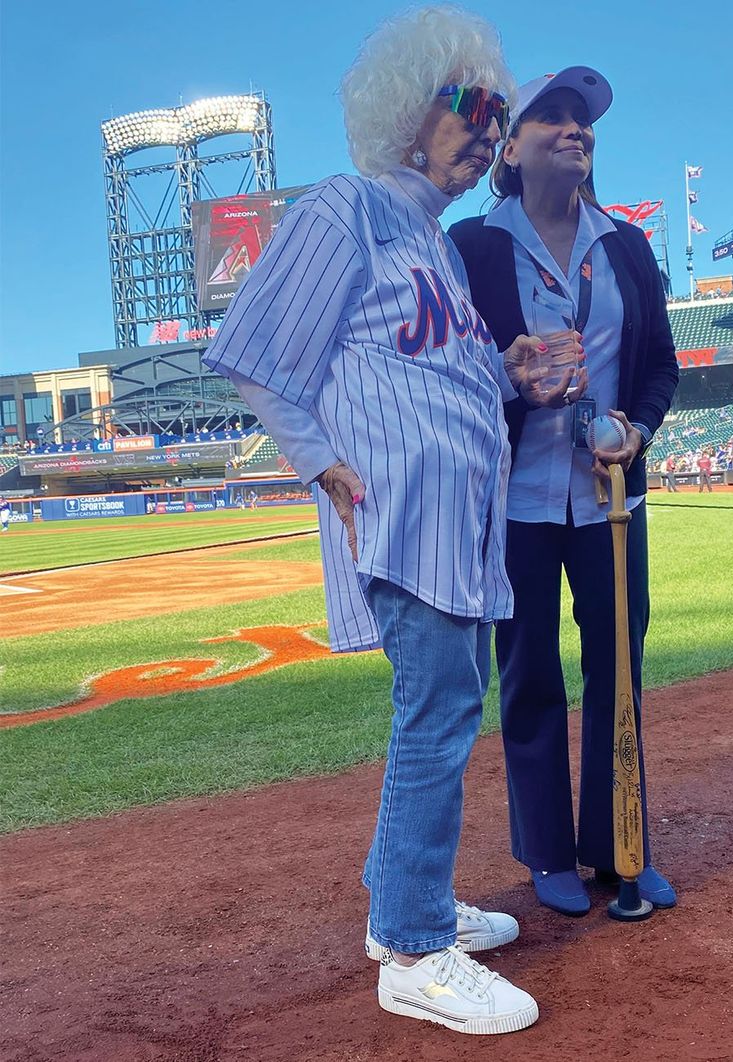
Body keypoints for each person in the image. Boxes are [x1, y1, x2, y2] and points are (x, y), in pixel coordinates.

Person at [203, 7, 577, 1036]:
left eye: (496, 114)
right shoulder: (350, 205)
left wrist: (502, 367)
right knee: (438, 714)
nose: (486, 129)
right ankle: (413, 950)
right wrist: (320, 462)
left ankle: (404, 906)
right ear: (408, 108)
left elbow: (424, 367)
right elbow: (253, 349)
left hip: (457, 527)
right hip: (403, 521)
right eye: (468, 104)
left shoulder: (433, 246)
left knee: (446, 709)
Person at [449, 66, 679, 917]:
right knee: (530, 675)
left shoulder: (627, 247)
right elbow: (450, 370)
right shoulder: (471, 246)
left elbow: (660, 367)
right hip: (514, 502)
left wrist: (637, 431)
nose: (575, 129)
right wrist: (514, 385)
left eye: (583, 120)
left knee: (619, 671)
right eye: (551, 116)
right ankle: (547, 852)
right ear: (510, 149)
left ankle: (621, 846)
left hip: (612, 501)